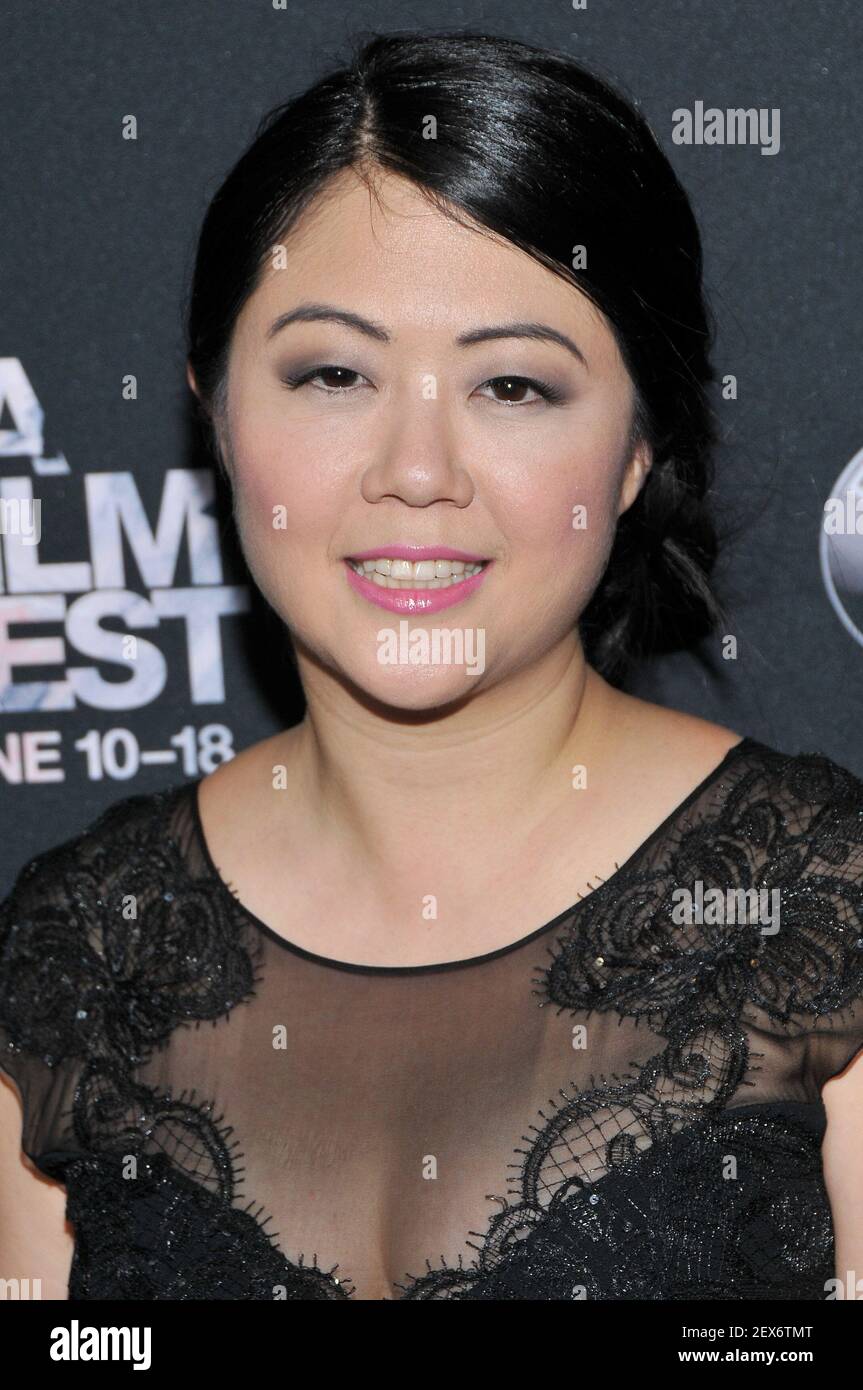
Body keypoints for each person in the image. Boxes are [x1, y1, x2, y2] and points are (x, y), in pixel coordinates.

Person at [1, 29, 862, 1302]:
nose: (417, 469)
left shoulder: (817, 909)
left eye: (512, 386)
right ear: (217, 412)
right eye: (334, 372)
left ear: (634, 451)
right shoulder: (80, 951)